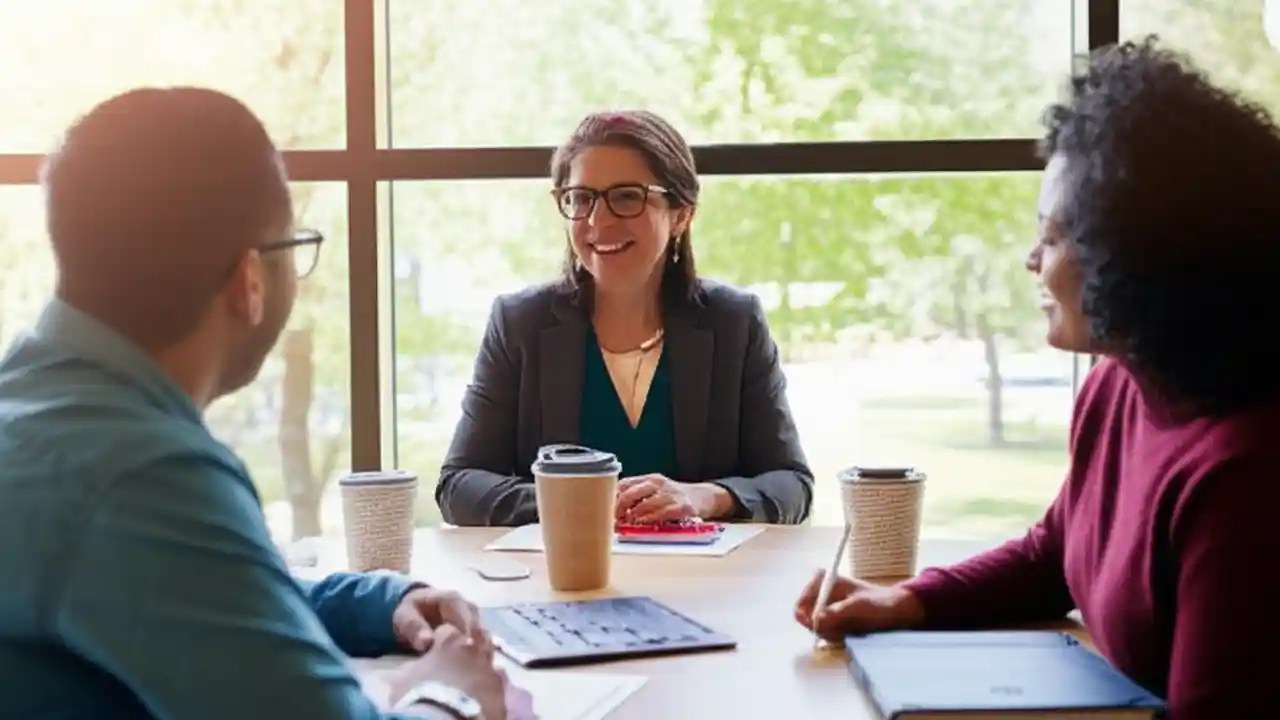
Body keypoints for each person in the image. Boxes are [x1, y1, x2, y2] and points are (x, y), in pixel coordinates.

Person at [794, 37, 1280, 720]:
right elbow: (1054, 554)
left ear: (1132, 251)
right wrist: (906, 600)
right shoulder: (1119, 388)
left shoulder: (1246, 476)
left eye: (1052, 237)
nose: (1031, 259)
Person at [0, 88, 516, 720]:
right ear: (249, 282)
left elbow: (186, 593)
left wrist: (372, 605)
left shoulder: (34, 414)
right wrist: (454, 694)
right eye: (292, 248)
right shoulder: (138, 473)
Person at [436, 110, 813, 527]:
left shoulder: (734, 323)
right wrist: (582, 502)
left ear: (681, 214)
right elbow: (459, 485)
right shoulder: (519, 323)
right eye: (581, 198)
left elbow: (792, 485)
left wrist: (705, 497)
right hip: (557, 580)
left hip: (703, 583)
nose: (599, 221)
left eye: (627, 197)